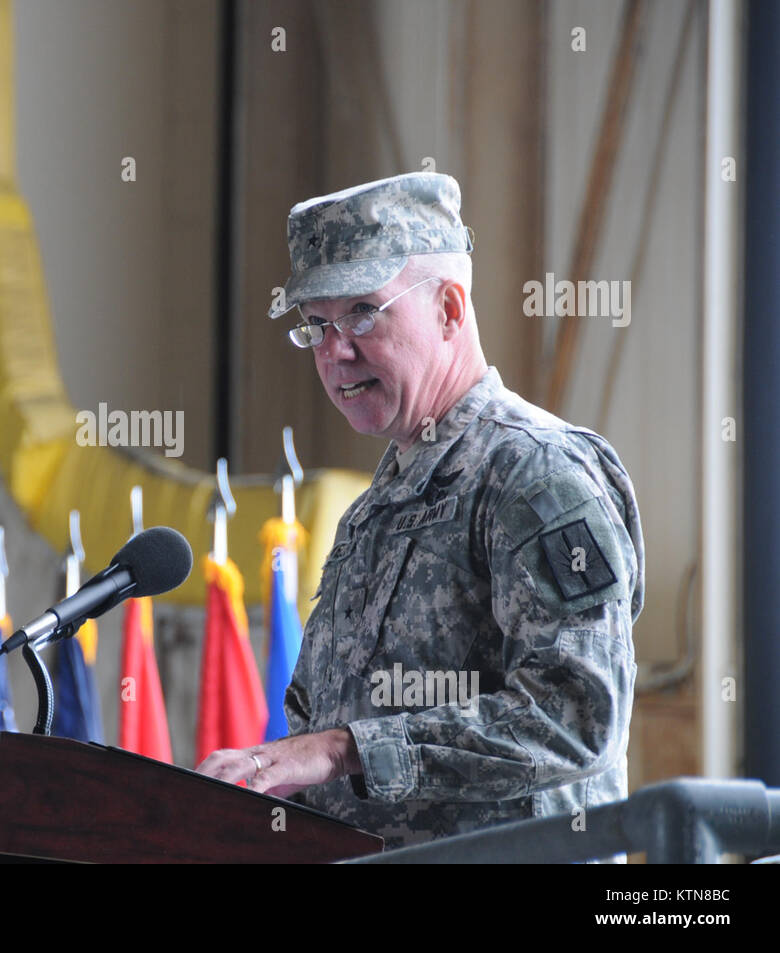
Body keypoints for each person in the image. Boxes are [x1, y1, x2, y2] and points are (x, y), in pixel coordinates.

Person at [196, 172, 644, 858]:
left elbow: (577, 717)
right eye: (316, 325)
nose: (333, 351)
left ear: (450, 308)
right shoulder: (375, 509)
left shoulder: (535, 475)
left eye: (363, 315)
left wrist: (344, 748)